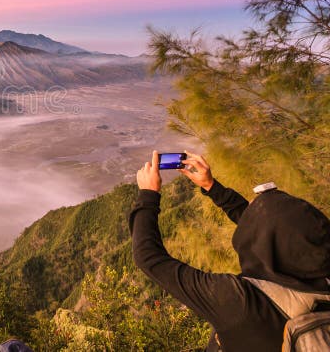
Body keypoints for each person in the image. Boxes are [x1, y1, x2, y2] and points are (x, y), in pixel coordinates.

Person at [131, 150, 330, 352]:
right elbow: (270, 231)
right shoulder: (318, 268)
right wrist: (211, 186)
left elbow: (148, 257)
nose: (251, 207)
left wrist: (148, 195)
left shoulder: (241, 303)